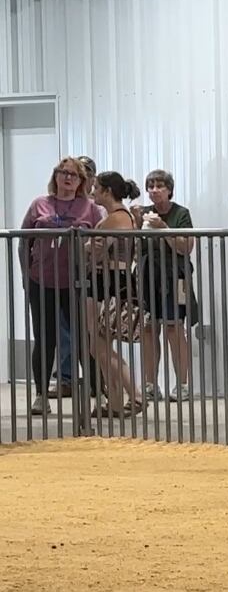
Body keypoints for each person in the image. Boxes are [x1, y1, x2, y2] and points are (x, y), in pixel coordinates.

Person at [18, 157, 105, 414]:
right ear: (55, 176)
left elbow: (100, 243)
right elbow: (24, 241)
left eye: (73, 175)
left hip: (76, 283)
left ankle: (97, 394)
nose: (67, 178)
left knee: (84, 339)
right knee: (45, 338)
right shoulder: (39, 204)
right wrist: (25, 276)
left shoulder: (90, 208)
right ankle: (41, 395)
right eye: (62, 173)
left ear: (81, 181)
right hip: (41, 280)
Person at [134, 169, 199, 403]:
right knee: (149, 329)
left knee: (174, 328)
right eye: (150, 186)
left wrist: (163, 228)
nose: (154, 190)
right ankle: (151, 384)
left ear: (169, 189)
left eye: (159, 186)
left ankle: (182, 385)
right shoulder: (142, 213)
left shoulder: (181, 214)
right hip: (147, 276)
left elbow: (186, 247)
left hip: (175, 276)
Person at [86, 172, 146, 417]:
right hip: (111, 281)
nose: (92, 192)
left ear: (107, 191)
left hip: (108, 282)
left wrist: (84, 245)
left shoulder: (116, 218)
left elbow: (97, 251)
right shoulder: (123, 217)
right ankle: (117, 400)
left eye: (96, 188)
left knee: (98, 345)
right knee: (99, 344)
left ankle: (135, 395)